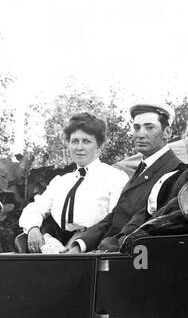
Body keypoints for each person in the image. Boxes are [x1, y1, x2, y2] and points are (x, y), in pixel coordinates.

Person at [65, 99, 182, 253]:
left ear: (167, 132)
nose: (141, 134)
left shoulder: (175, 171)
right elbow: (116, 216)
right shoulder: (143, 168)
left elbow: (148, 223)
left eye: (149, 127)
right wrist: (80, 244)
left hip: (135, 257)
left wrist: (109, 249)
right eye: (136, 127)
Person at [17, 112, 129, 253]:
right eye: (74, 141)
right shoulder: (61, 182)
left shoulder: (114, 177)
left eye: (86, 141)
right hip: (56, 245)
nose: (79, 147)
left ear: (99, 146)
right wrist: (33, 228)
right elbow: (36, 208)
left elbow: (115, 220)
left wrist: (80, 245)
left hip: (94, 247)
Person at [121, 105, 188, 240]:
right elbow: (146, 211)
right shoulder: (182, 170)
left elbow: (180, 210)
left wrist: (137, 235)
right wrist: (121, 237)